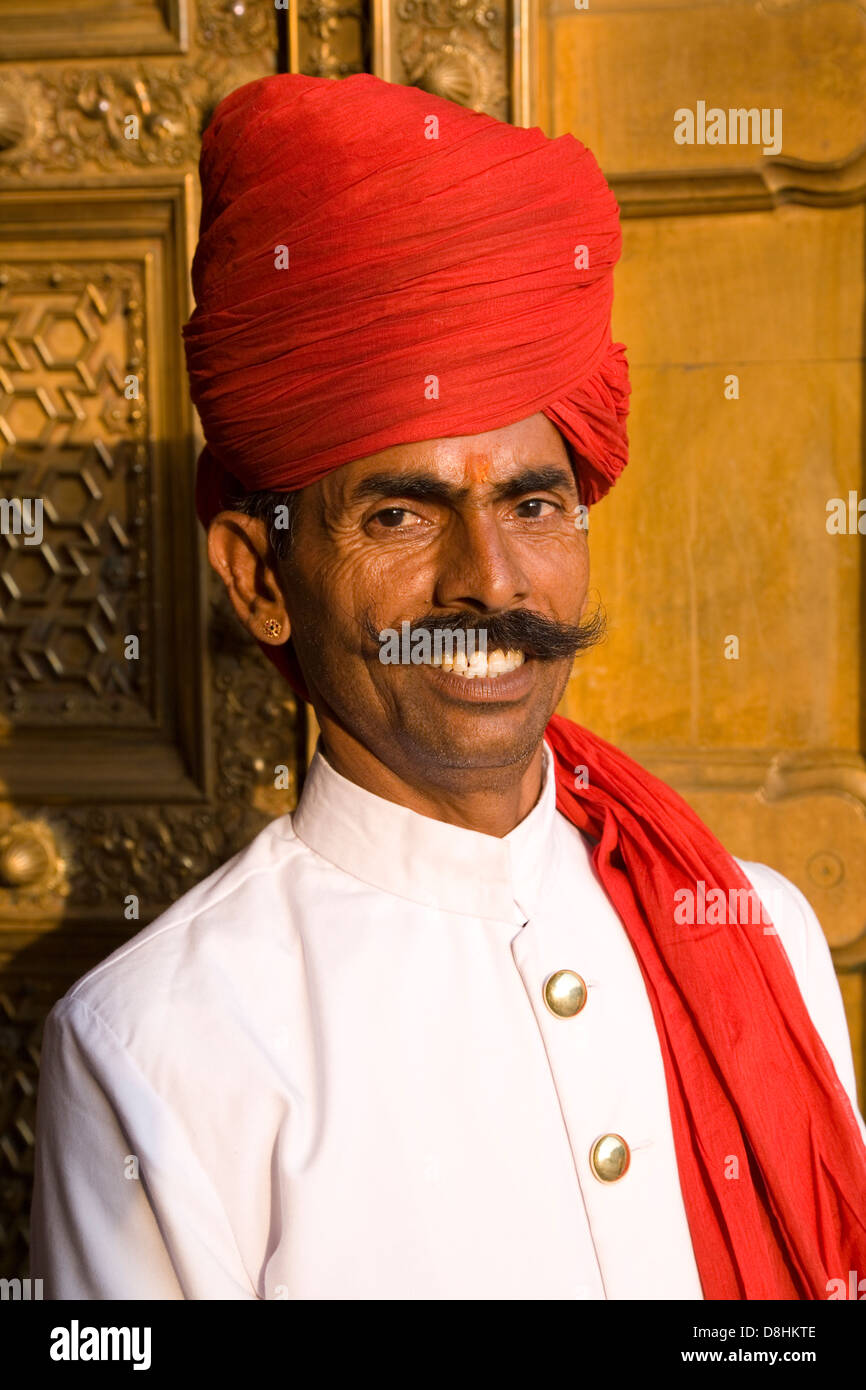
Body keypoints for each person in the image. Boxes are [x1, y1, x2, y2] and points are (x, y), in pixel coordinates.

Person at [30, 72, 866, 1301]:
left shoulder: (761, 933)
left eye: (533, 503)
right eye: (400, 513)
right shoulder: (154, 1048)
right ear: (262, 578)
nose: (490, 583)